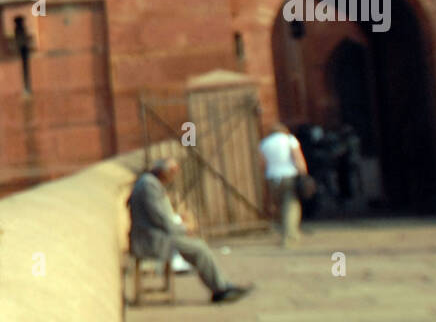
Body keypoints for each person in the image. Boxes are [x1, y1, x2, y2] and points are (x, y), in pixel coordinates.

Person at [128, 157, 252, 304]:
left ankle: (222, 286)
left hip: (157, 235)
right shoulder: (149, 186)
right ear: (163, 172)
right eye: (172, 172)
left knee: (197, 249)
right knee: (199, 249)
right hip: (151, 240)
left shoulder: (149, 183)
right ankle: (221, 289)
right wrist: (184, 229)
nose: (173, 177)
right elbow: (162, 220)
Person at [259, 122, 308, 247]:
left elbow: (263, 164)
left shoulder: (264, 143)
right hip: (289, 175)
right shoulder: (289, 140)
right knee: (291, 206)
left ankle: (285, 232)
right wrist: (304, 174)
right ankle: (290, 236)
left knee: (280, 206)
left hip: (272, 177)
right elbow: (297, 157)